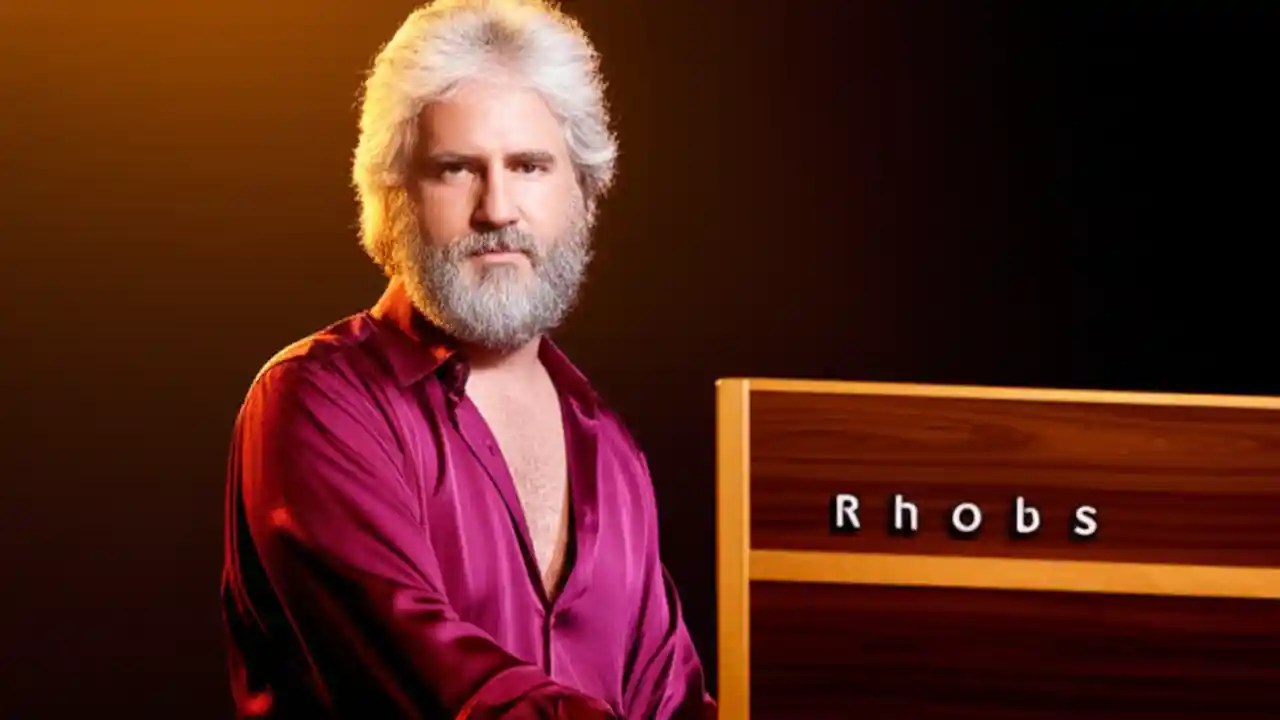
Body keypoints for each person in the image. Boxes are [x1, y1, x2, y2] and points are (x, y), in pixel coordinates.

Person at [219, 1, 716, 717]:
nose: (498, 209)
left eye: (529, 166)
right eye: (457, 169)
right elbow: (446, 693)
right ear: (394, 198)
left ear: (582, 194)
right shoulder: (313, 404)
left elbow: (673, 702)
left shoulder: (611, 452)